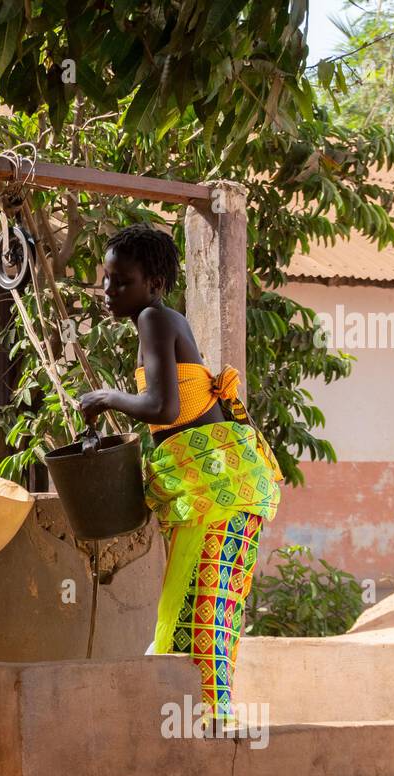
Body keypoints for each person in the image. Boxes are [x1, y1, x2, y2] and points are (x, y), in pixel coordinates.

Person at [79, 224, 282, 728]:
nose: (108, 290)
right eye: (106, 279)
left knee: (205, 607)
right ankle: (197, 714)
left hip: (220, 489)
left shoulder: (153, 317)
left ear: (152, 282)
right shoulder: (165, 319)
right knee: (204, 605)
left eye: (120, 281)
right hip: (223, 486)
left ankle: (209, 720)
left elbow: (160, 405)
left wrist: (104, 397)